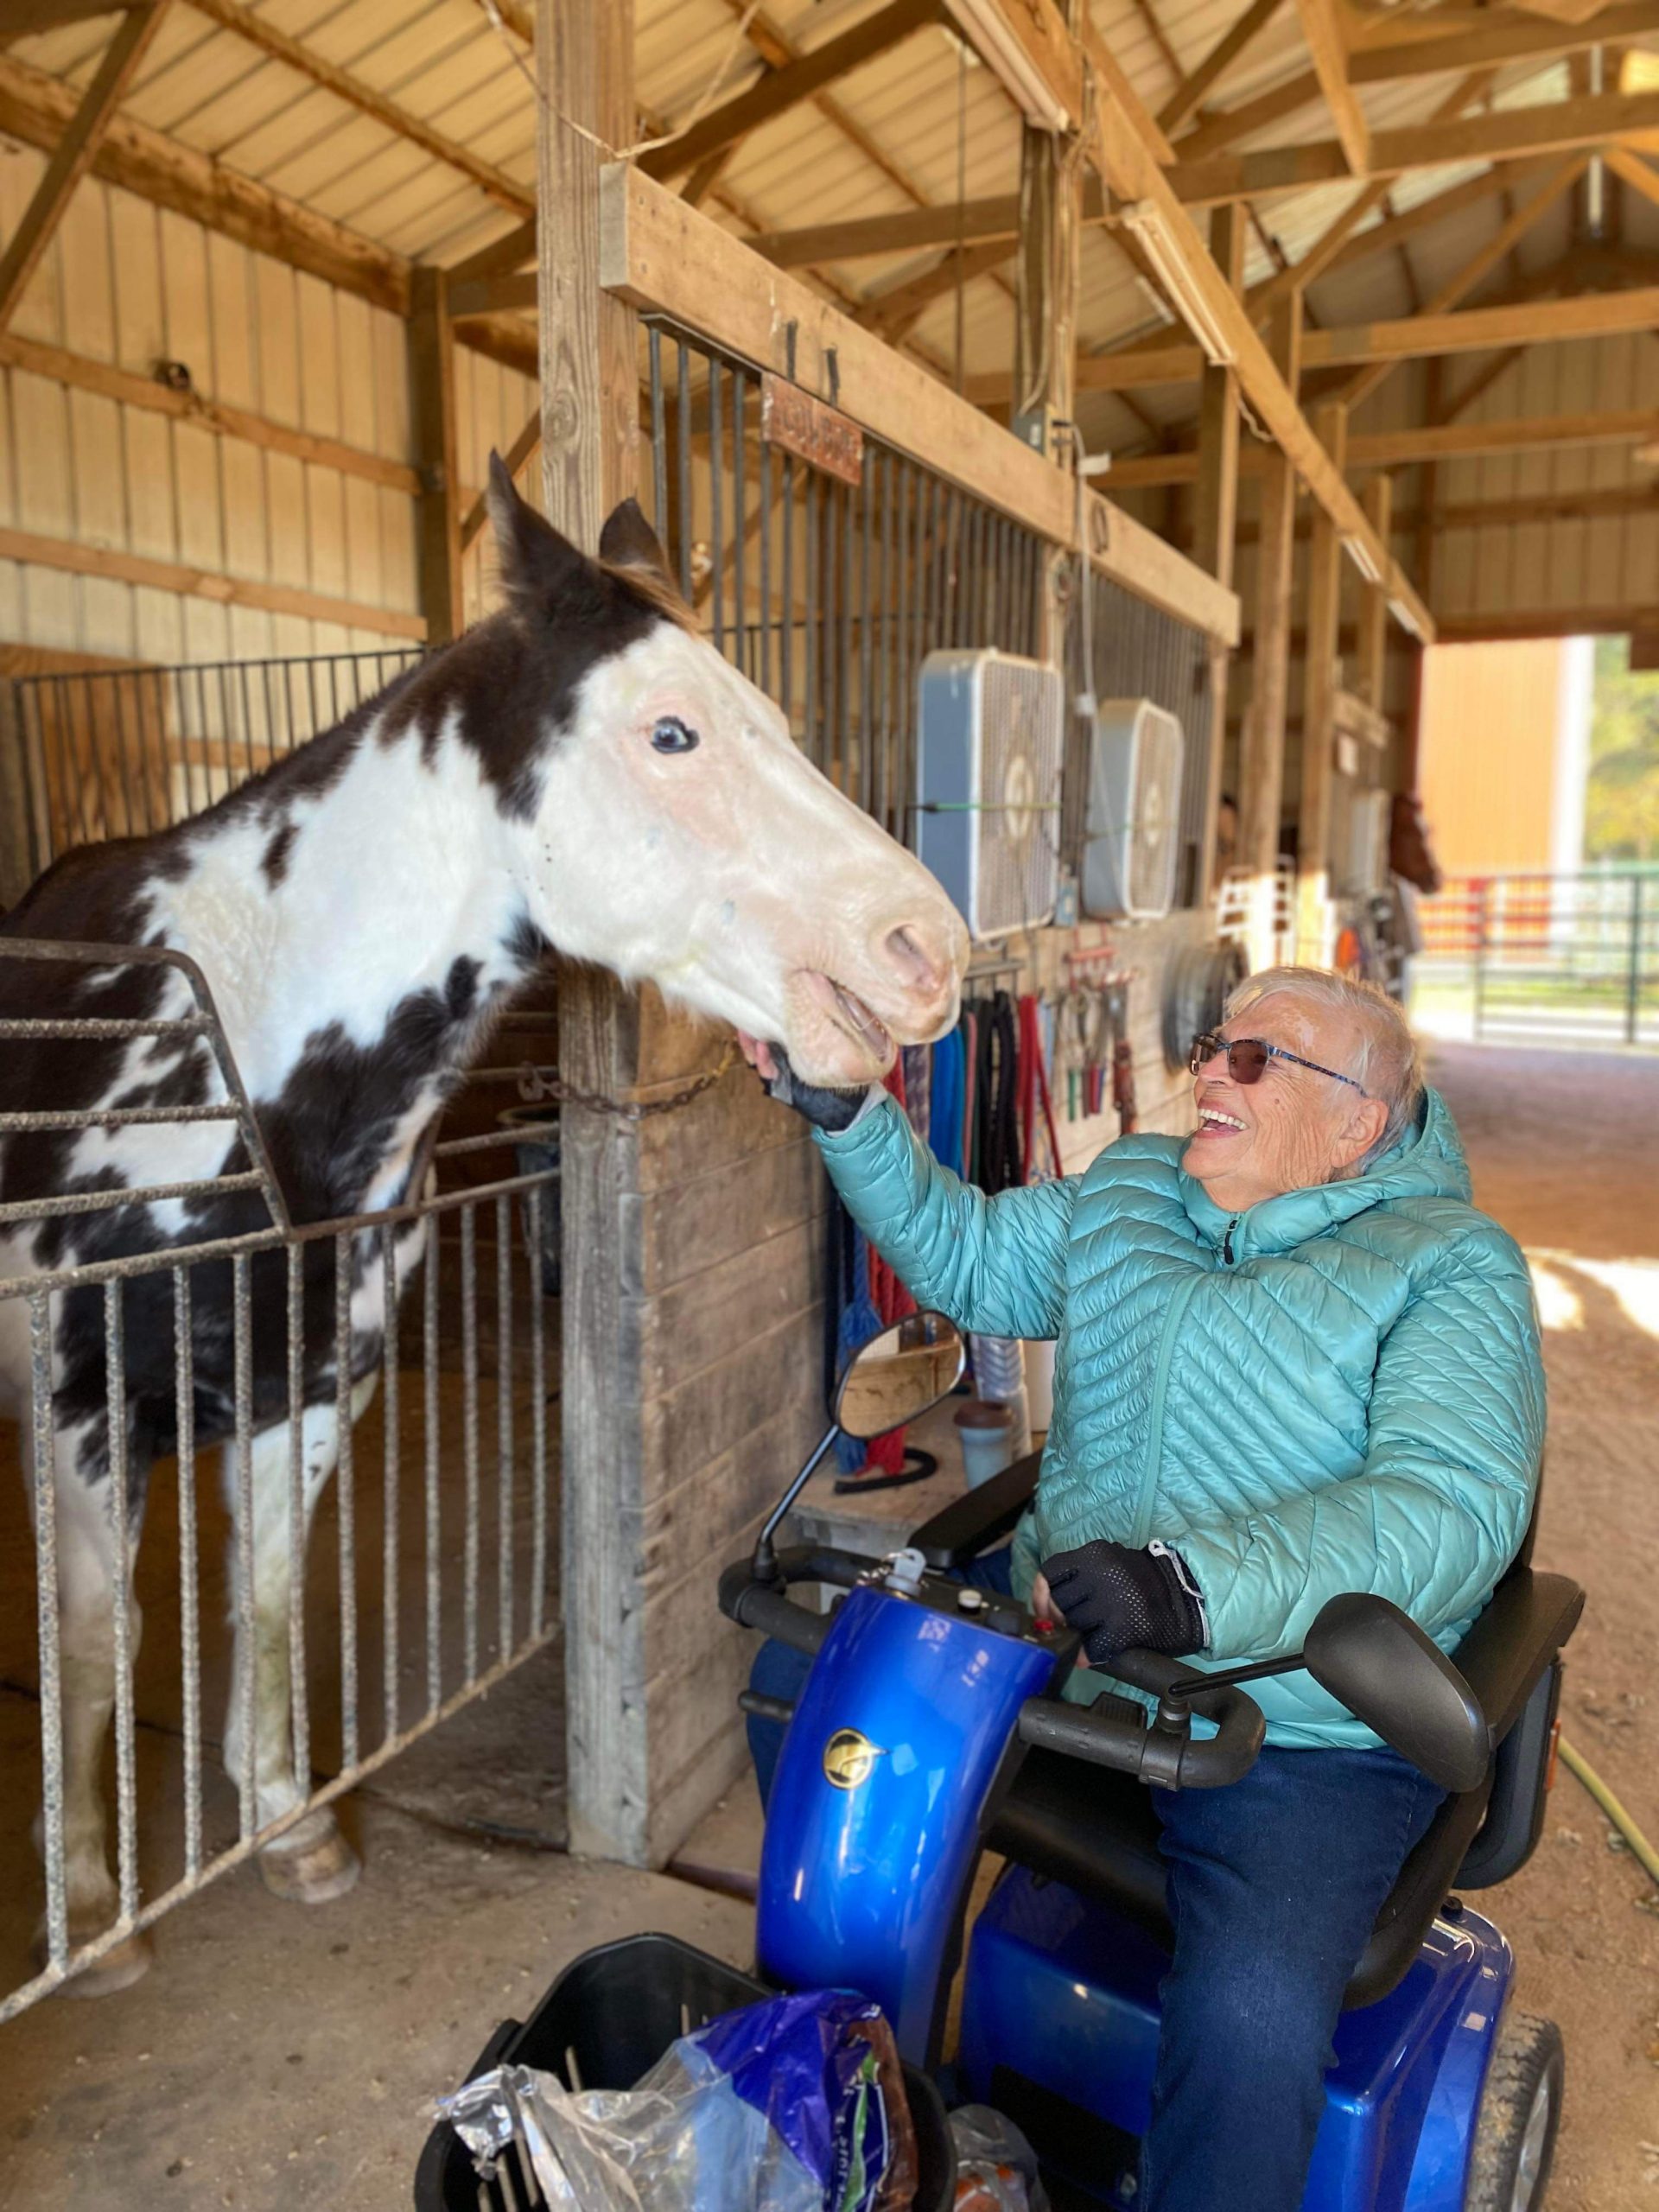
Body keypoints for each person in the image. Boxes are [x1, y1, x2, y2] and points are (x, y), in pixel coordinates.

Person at [738, 966, 1544, 2212]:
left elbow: (1447, 1508)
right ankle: (872, 2133)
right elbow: (972, 1257)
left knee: (1255, 2012)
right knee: (809, 1698)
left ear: (1358, 1123)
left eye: (1257, 1060)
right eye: (1214, 1043)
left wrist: (1193, 1587)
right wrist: (852, 1115)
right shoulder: (1132, 1190)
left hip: (1294, 1726)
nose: (1211, 1070)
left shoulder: (1450, 1267)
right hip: (1080, 1654)